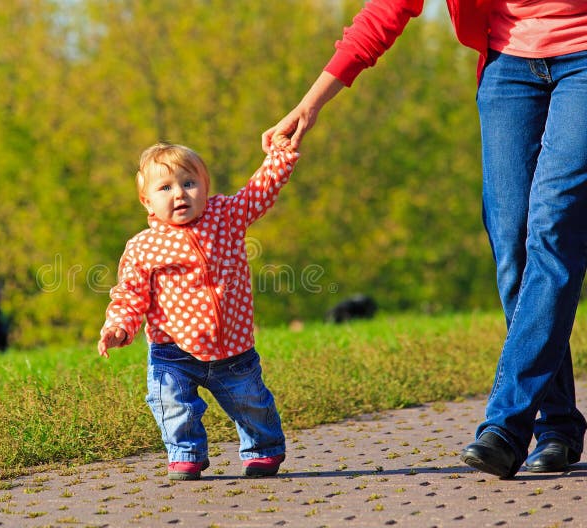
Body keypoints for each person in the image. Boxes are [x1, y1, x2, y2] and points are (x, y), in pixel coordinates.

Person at [263, 0, 587, 479]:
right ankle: (557, 424)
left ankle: (507, 426)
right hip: (509, 69)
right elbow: (386, 11)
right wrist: (310, 104)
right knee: (513, 251)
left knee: (553, 229)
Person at [98, 140, 299, 480]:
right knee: (172, 405)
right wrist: (118, 327)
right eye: (165, 187)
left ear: (206, 188)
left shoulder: (227, 217)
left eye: (189, 184)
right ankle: (186, 452)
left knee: (251, 403)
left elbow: (260, 190)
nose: (179, 194)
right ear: (146, 200)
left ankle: (263, 449)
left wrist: (280, 154)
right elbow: (130, 295)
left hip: (233, 349)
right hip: (172, 352)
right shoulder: (143, 247)